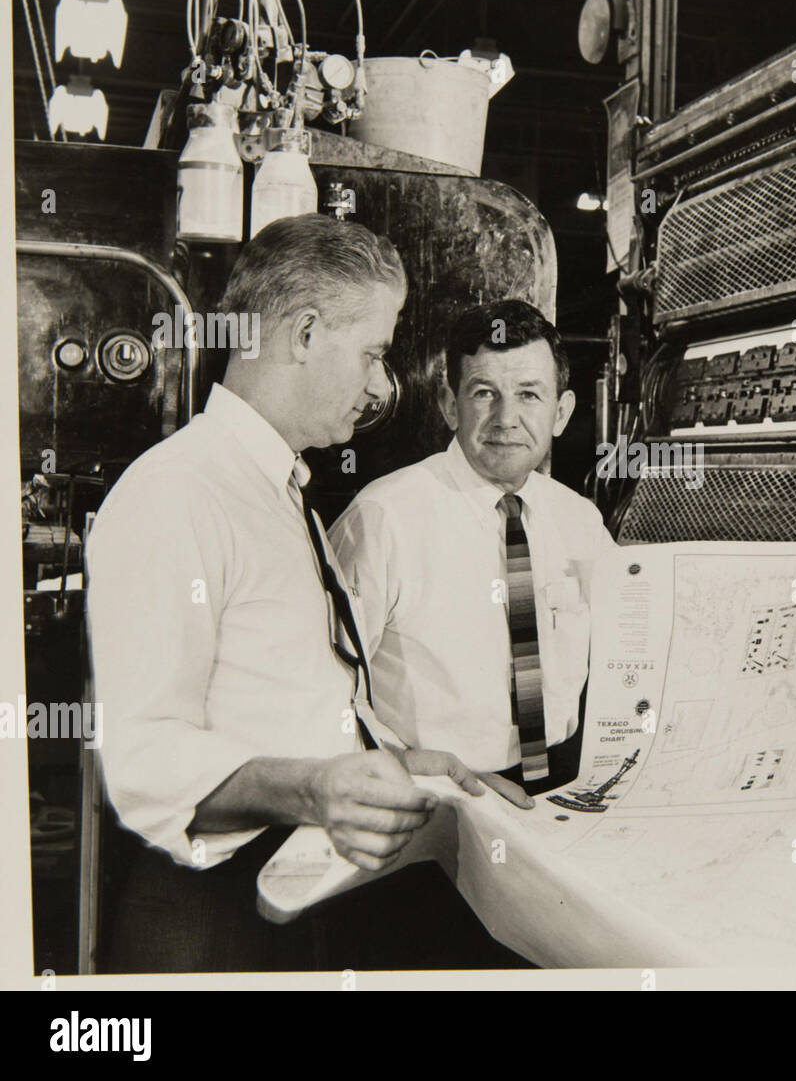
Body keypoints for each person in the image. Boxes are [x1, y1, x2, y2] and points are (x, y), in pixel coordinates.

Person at [85, 214, 527, 974]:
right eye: (373, 354)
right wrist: (313, 788)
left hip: (288, 891)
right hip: (207, 921)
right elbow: (142, 753)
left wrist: (412, 760)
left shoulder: (280, 490)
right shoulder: (176, 492)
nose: (380, 385)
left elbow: (296, 696)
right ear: (305, 333)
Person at [330, 300, 618, 804]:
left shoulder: (581, 521)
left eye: (530, 394)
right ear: (449, 404)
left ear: (562, 412)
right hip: (435, 794)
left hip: (565, 783)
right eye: (485, 393)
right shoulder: (383, 518)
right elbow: (323, 690)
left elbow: (628, 649)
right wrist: (407, 767)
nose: (506, 419)